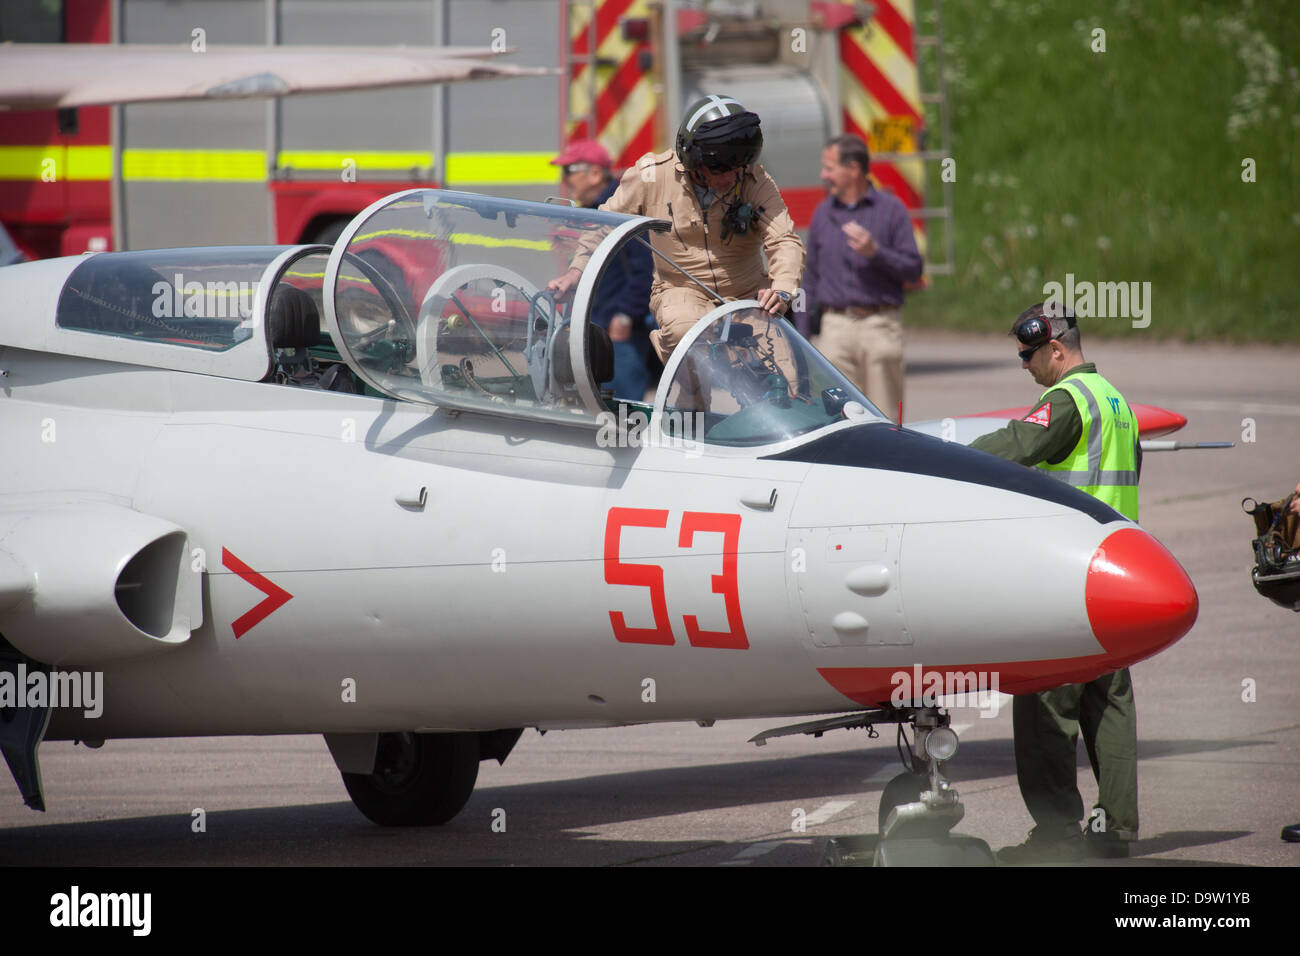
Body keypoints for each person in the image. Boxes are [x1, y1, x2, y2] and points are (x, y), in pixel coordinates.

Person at [968, 302, 1141, 863]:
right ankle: (1117, 828)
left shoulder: (1066, 401)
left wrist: (941, 458)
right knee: (1109, 706)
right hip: (1118, 578)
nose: (1024, 365)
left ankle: (1058, 836)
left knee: (1045, 709)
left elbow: (1017, 448)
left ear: (1057, 349)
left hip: (1065, 581)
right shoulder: (1117, 402)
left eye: (1028, 354)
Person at [547, 95, 803, 365]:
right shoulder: (651, 177)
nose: (729, 178)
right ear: (693, 159)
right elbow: (604, 228)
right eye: (719, 169)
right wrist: (575, 274)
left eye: (737, 168)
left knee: (786, 372)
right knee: (687, 336)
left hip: (748, 293)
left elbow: (784, 239)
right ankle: (689, 400)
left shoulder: (754, 180)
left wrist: (783, 290)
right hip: (680, 291)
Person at [795, 134, 922, 421]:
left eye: (829, 168)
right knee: (835, 420)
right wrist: (802, 338)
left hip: (879, 326)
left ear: (852, 169)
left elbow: (913, 269)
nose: (823, 175)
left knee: (885, 419)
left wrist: (875, 252)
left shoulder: (892, 211)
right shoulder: (822, 214)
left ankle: (888, 465)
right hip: (834, 329)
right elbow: (810, 279)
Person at [551, 139, 654, 400]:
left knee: (623, 406)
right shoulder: (595, 209)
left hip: (619, 330)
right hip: (600, 323)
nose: (565, 180)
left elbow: (646, 268)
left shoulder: (619, 208)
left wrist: (624, 316)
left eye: (569, 171)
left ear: (595, 174)